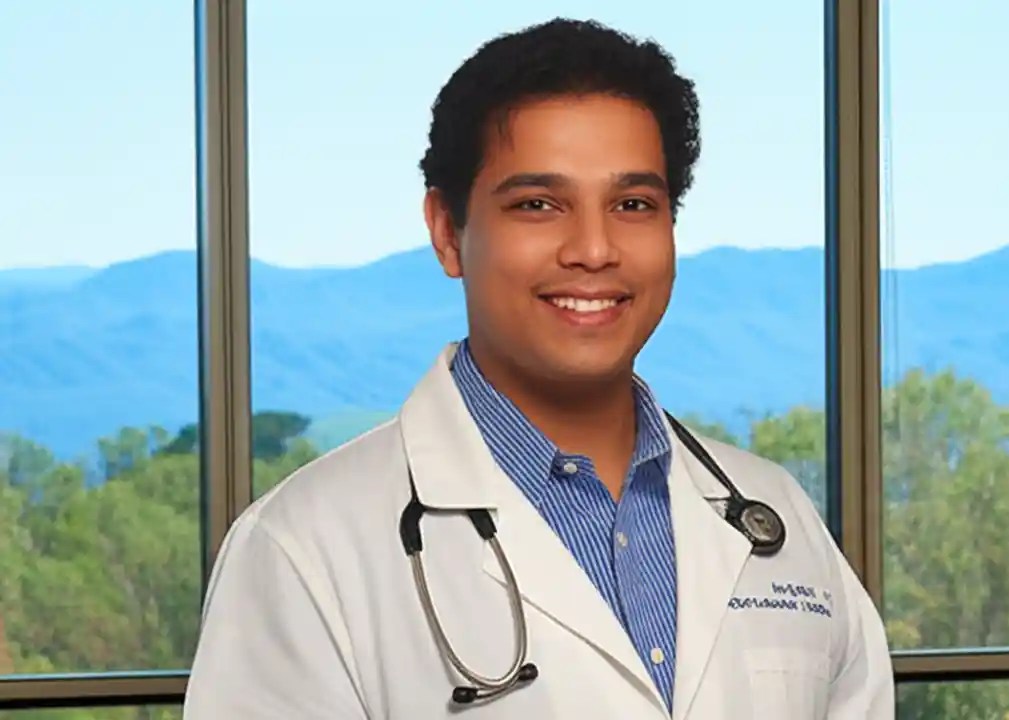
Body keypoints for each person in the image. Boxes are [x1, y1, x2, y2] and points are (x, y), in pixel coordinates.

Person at [183, 17, 894, 719]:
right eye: (538, 204)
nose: (594, 248)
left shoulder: (777, 520)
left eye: (633, 203)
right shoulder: (304, 548)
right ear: (446, 232)